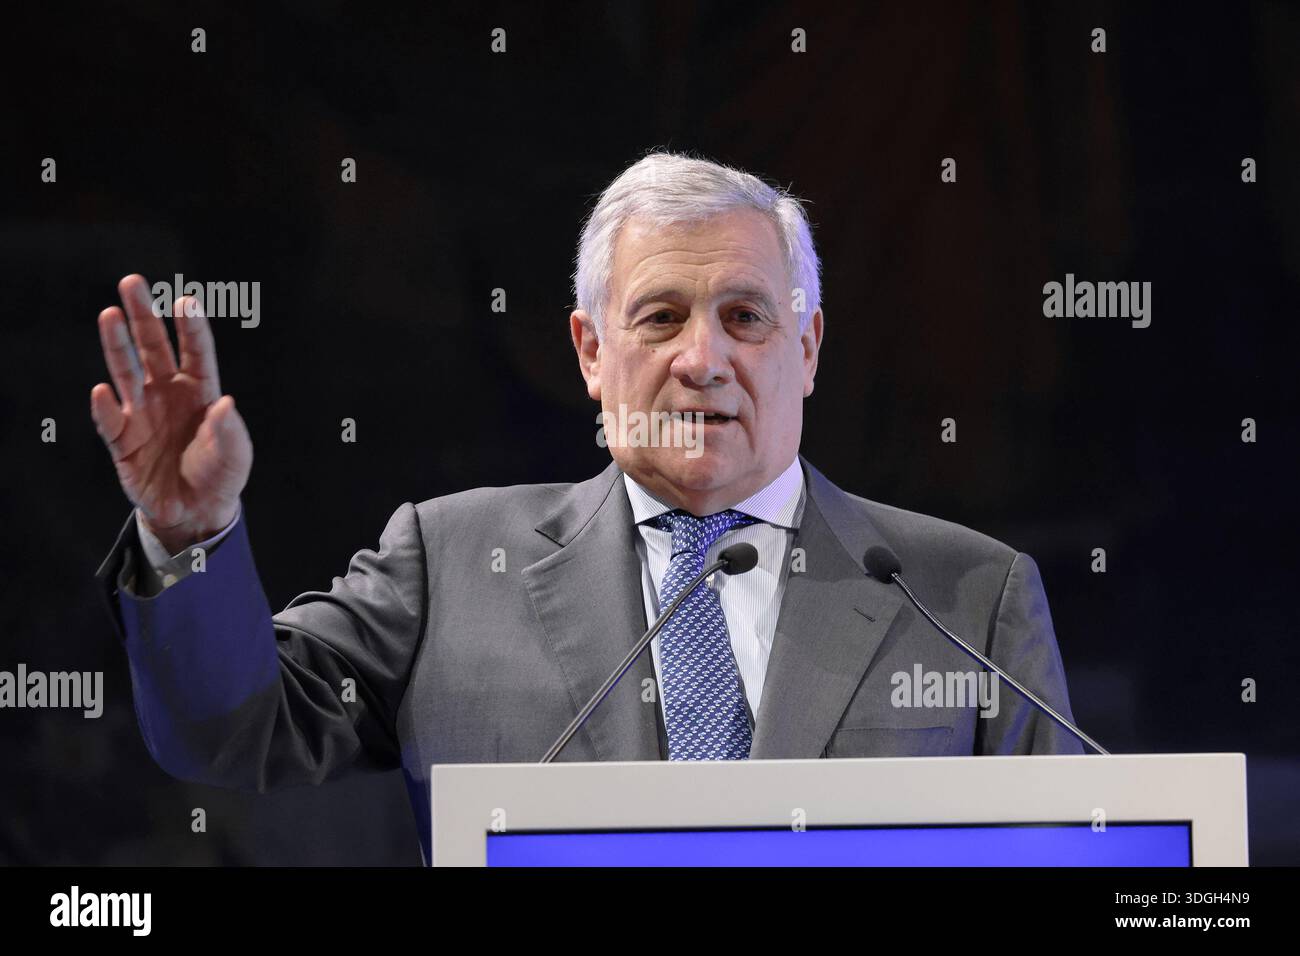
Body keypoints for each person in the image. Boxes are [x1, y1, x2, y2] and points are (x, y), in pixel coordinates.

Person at [91, 152, 1084, 864]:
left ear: (809, 346)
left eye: (746, 315)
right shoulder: (449, 561)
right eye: (660, 317)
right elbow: (231, 730)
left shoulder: (964, 595)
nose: (704, 358)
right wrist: (188, 536)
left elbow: (1072, 859)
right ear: (589, 352)